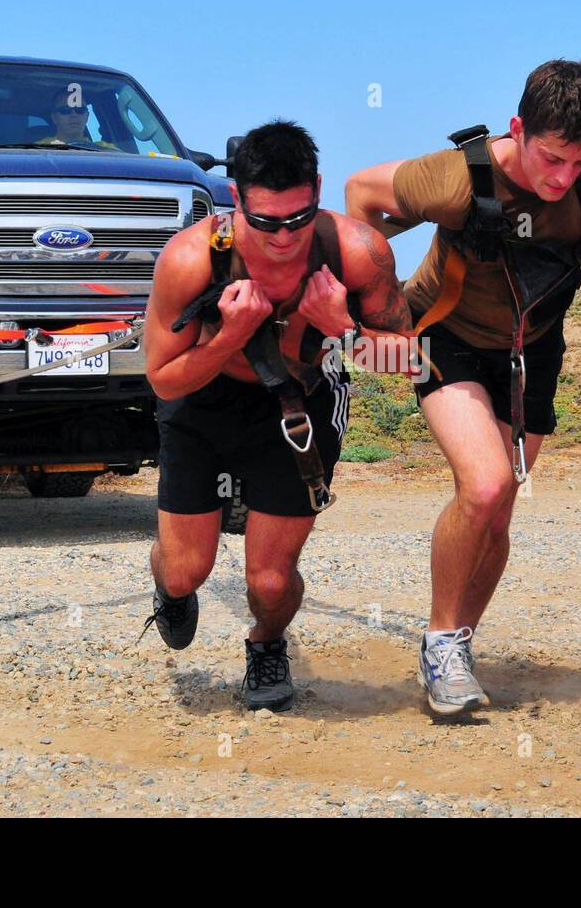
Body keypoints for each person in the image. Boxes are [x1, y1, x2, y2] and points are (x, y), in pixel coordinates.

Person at [346, 59, 581, 716]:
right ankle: (439, 641)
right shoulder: (454, 179)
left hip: (532, 351)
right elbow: (359, 195)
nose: (562, 178)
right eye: (551, 159)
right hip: (446, 335)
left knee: (498, 512)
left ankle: (457, 648)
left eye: (577, 164)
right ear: (517, 128)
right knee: (486, 483)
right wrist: (370, 314)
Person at [142, 120, 412, 712]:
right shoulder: (190, 259)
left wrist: (343, 330)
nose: (283, 237)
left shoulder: (356, 252)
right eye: (264, 222)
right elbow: (162, 376)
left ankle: (266, 642)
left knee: (268, 580)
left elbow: (410, 359)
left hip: (299, 400)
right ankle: (166, 579)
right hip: (203, 394)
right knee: (187, 571)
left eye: (298, 218)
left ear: (317, 190)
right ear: (236, 199)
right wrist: (227, 338)